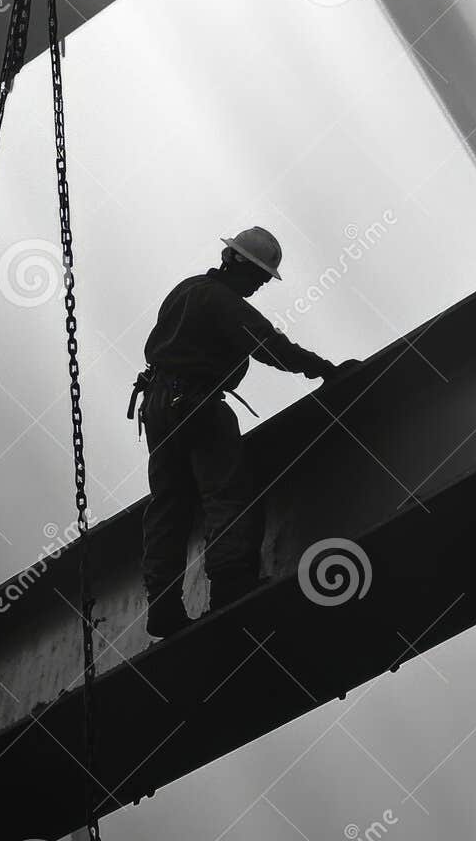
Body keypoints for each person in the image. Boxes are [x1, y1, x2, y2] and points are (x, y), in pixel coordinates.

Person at [132, 226, 354, 639]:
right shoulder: (222, 302)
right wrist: (325, 368)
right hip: (196, 404)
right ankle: (231, 582)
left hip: (159, 406)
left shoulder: (187, 289)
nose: (259, 285)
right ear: (235, 263)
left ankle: (162, 607)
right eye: (258, 276)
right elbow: (271, 346)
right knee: (225, 491)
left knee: (168, 505)